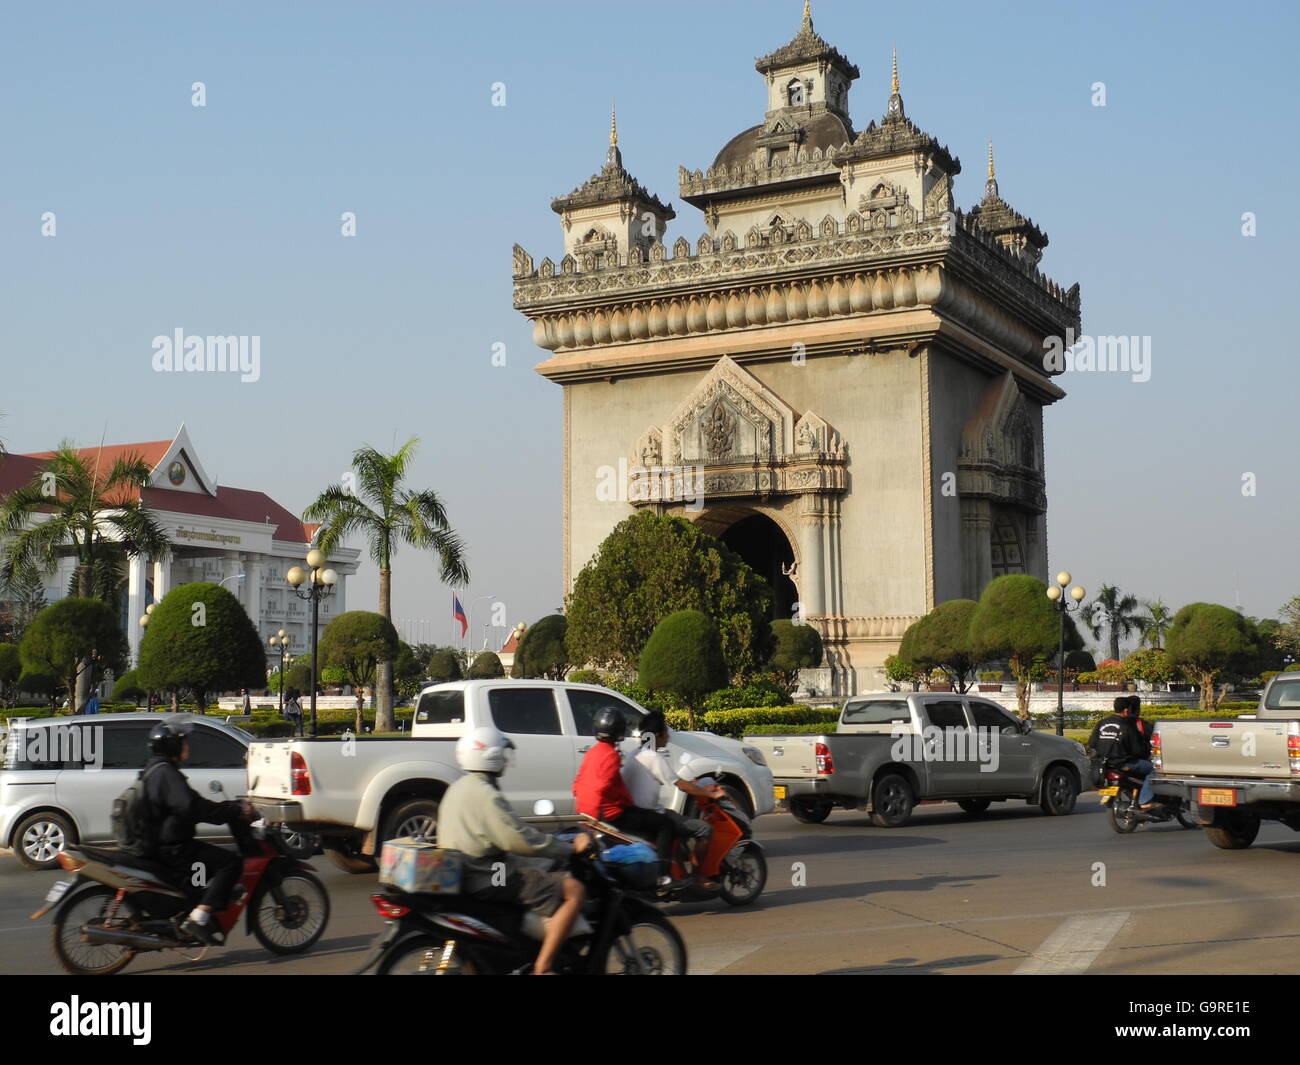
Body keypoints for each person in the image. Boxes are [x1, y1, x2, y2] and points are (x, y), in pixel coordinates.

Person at [437, 726, 589, 975]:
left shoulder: (459, 787)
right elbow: (518, 840)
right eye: (503, 754)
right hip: (490, 877)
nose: (507, 761)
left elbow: (505, 832)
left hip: (467, 872)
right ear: (492, 756)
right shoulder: (486, 794)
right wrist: (568, 848)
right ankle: (544, 965)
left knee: (536, 870)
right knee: (575, 890)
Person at [139, 717, 255, 945]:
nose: (187, 746)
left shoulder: (157, 769)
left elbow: (191, 805)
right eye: (183, 742)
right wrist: (232, 810)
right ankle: (198, 918)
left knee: (199, 876)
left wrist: (226, 808)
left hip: (162, 843)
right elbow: (194, 807)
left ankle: (191, 909)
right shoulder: (166, 774)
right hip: (173, 847)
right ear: (172, 746)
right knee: (229, 863)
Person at [623, 711, 723, 888]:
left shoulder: (634, 755)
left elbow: (677, 780)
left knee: (675, 817)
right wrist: (711, 794)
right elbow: (681, 785)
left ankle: (680, 870)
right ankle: (697, 877)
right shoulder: (653, 757)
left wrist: (696, 786)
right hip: (651, 815)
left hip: (637, 813)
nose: (668, 736)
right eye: (666, 732)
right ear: (657, 736)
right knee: (704, 830)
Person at [573, 707, 676, 859]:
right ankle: (663, 875)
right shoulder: (611, 755)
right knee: (666, 824)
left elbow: (577, 784)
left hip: (586, 812)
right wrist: (619, 802)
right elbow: (603, 786)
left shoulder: (592, 752)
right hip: (612, 815)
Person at [1087, 696, 1157, 810]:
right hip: (1124, 764)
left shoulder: (1102, 723)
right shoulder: (1127, 726)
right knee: (1155, 770)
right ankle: (1145, 800)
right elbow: (1137, 749)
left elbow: (1092, 743)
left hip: (1106, 764)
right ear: (1126, 710)